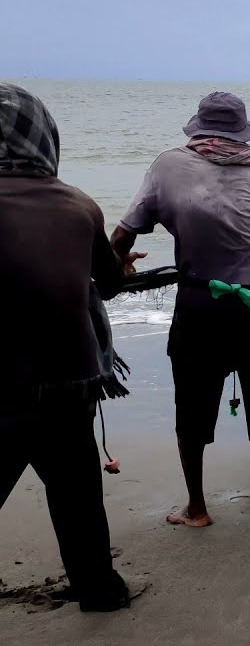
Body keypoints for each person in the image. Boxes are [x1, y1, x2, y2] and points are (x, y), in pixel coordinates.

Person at [112, 91, 250, 526]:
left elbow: (124, 235)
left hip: (199, 306)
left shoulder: (167, 166)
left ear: (198, 127)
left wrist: (115, 269)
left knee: (190, 412)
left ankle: (197, 507)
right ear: (243, 131)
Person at [1, 83, 141, 610]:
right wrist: (120, 266)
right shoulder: (80, 204)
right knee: (78, 496)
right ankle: (98, 590)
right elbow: (108, 282)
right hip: (70, 378)